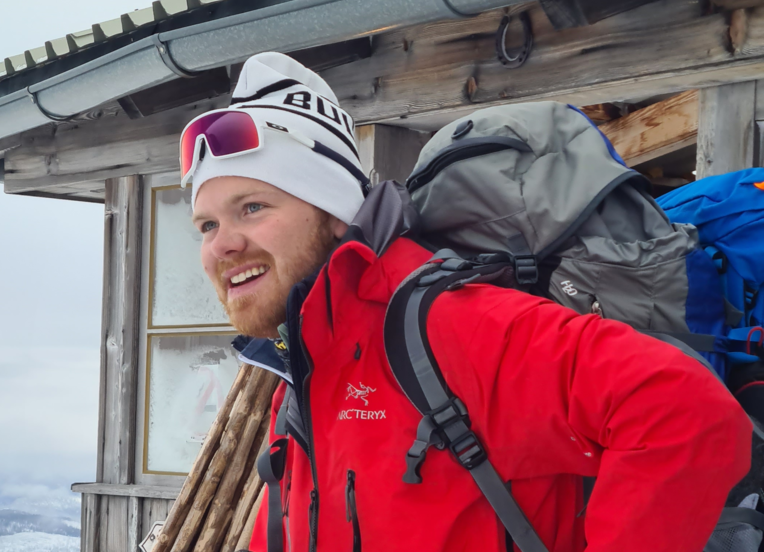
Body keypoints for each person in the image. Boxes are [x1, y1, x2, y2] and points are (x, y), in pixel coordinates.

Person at [182, 52, 752, 552]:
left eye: (252, 207)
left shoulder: (443, 326)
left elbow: (683, 410)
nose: (222, 244)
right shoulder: (304, 375)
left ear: (333, 214)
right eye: (206, 224)